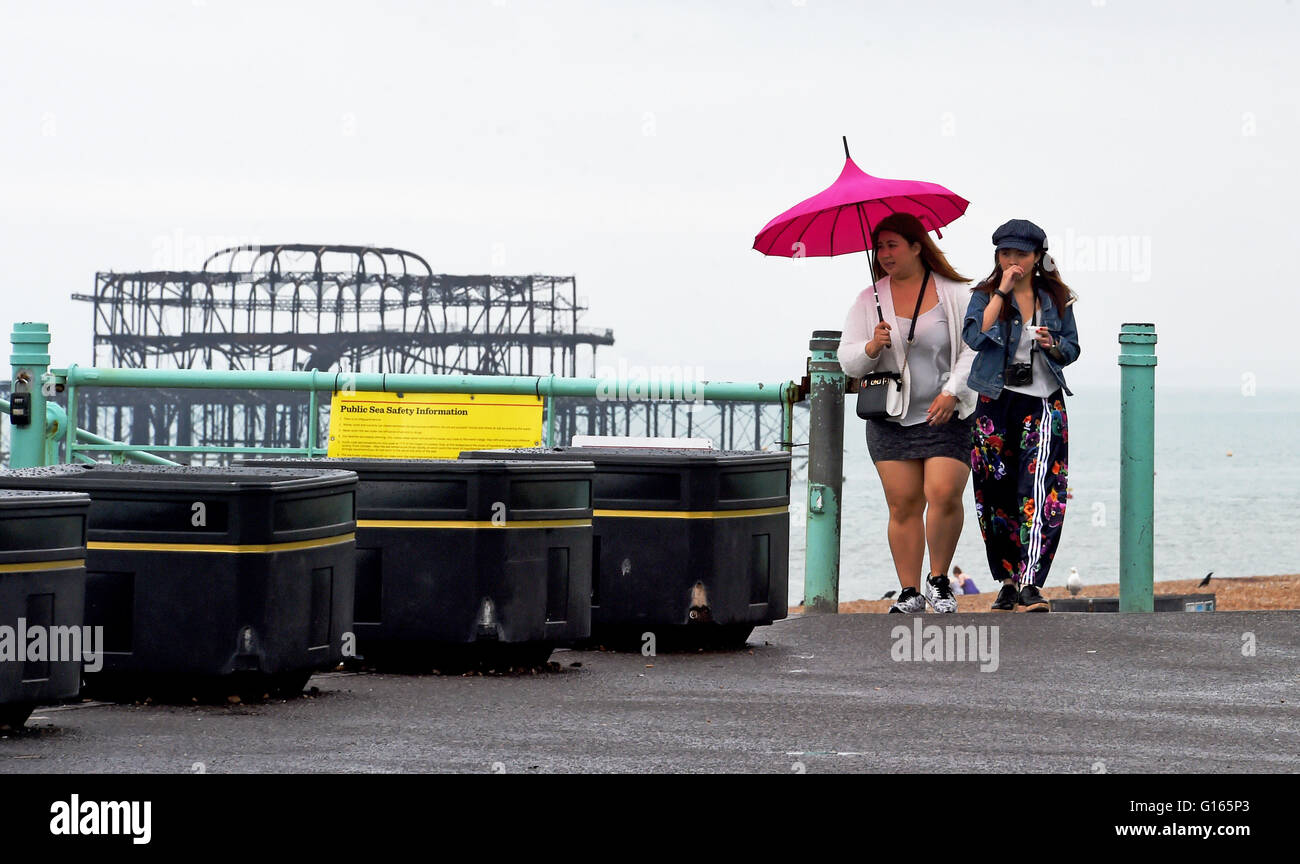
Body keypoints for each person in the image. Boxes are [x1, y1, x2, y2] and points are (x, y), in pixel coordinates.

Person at [837, 212, 978, 614]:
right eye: (879, 246)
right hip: (891, 418)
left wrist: (952, 392)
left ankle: (939, 581)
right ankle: (909, 591)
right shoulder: (869, 300)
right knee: (902, 506)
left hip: (946, 414)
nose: (883, 253)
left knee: (943, 493)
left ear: (918, 246)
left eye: (892, 244)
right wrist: (871, 346)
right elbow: (847, 360)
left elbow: (975, 349)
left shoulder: (955, 293)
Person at [962, 219, 1080, 612]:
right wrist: (1002, 292)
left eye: (1021, 254)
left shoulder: (1056, 297)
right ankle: (1008, 582)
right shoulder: (984, 294)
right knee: (994, 495)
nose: (1013, 260)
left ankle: (1031, 582)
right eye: (1005, 253)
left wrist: (1052, 343)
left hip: (1042, 401)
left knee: (1039, 489)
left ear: (1037, 257)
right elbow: (975, 337)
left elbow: (1073, 348)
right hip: (995, 402)